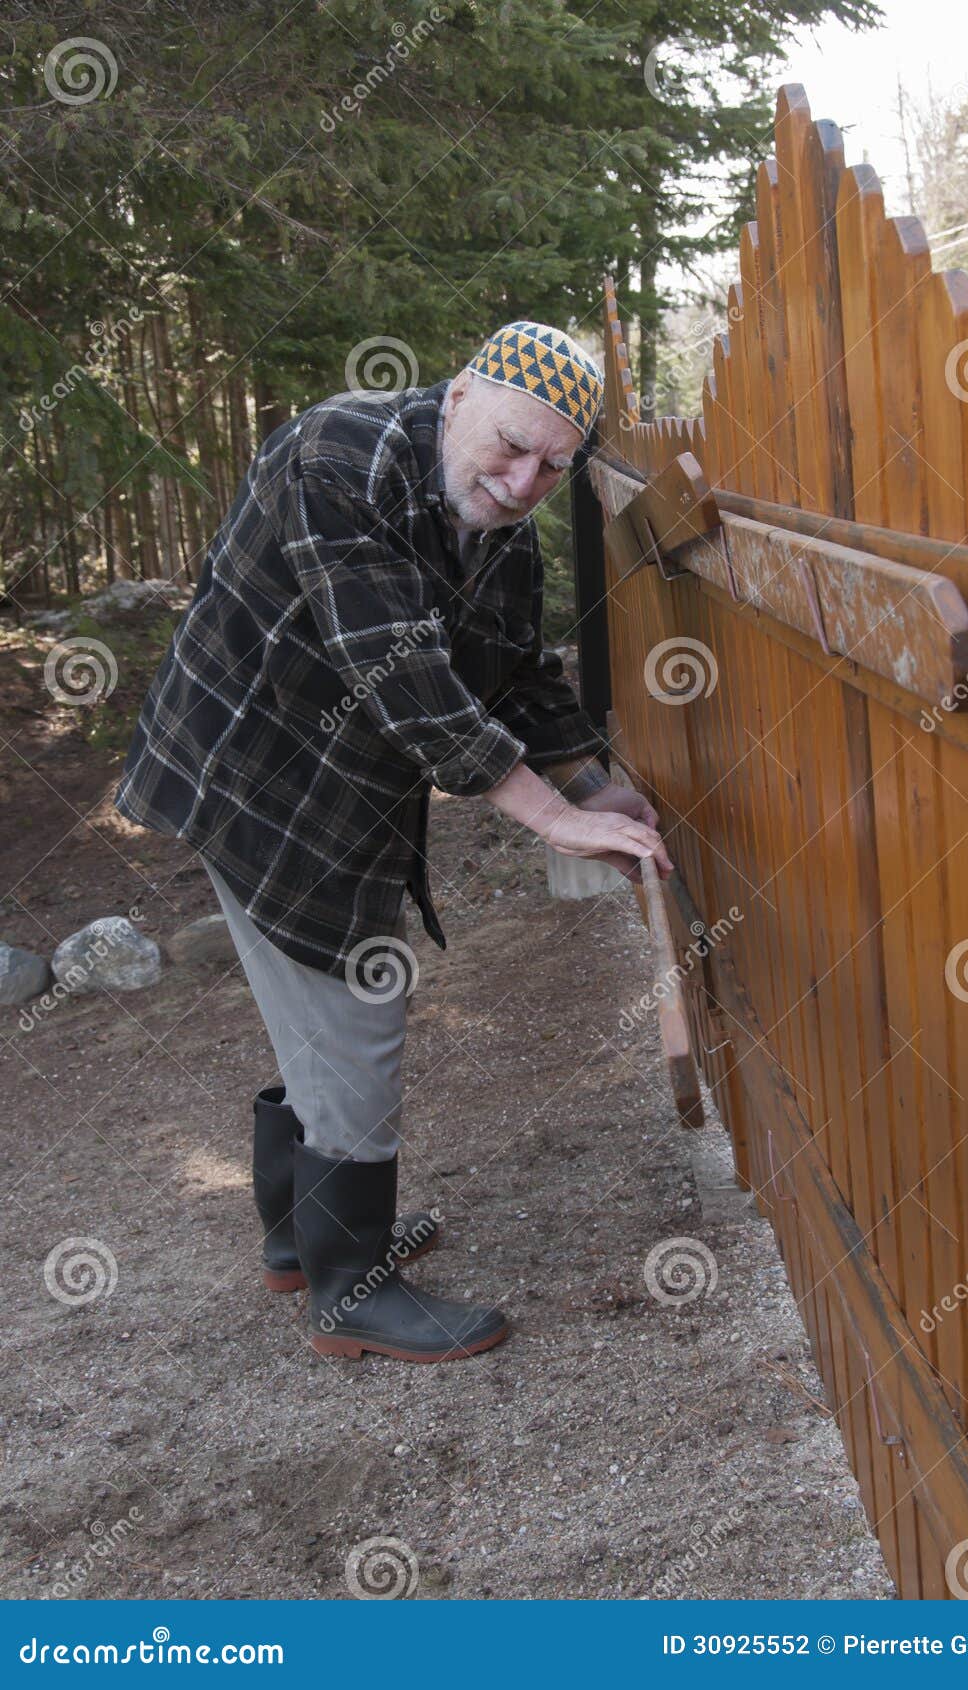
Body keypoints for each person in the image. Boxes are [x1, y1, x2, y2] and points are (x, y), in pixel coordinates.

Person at [113, 319, 674, 1365]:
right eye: (510, 446)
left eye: (552, 468)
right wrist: (550, 817)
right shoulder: (336, 456)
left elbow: (515, 675)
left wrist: (599, 785)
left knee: (322, 1019)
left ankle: (302, 1241)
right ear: (458, 394)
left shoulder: (493, 530)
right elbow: (399, 670)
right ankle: (349, 1290)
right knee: (353, 1011)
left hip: (342, 791)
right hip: (255, 779)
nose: (519, 483)